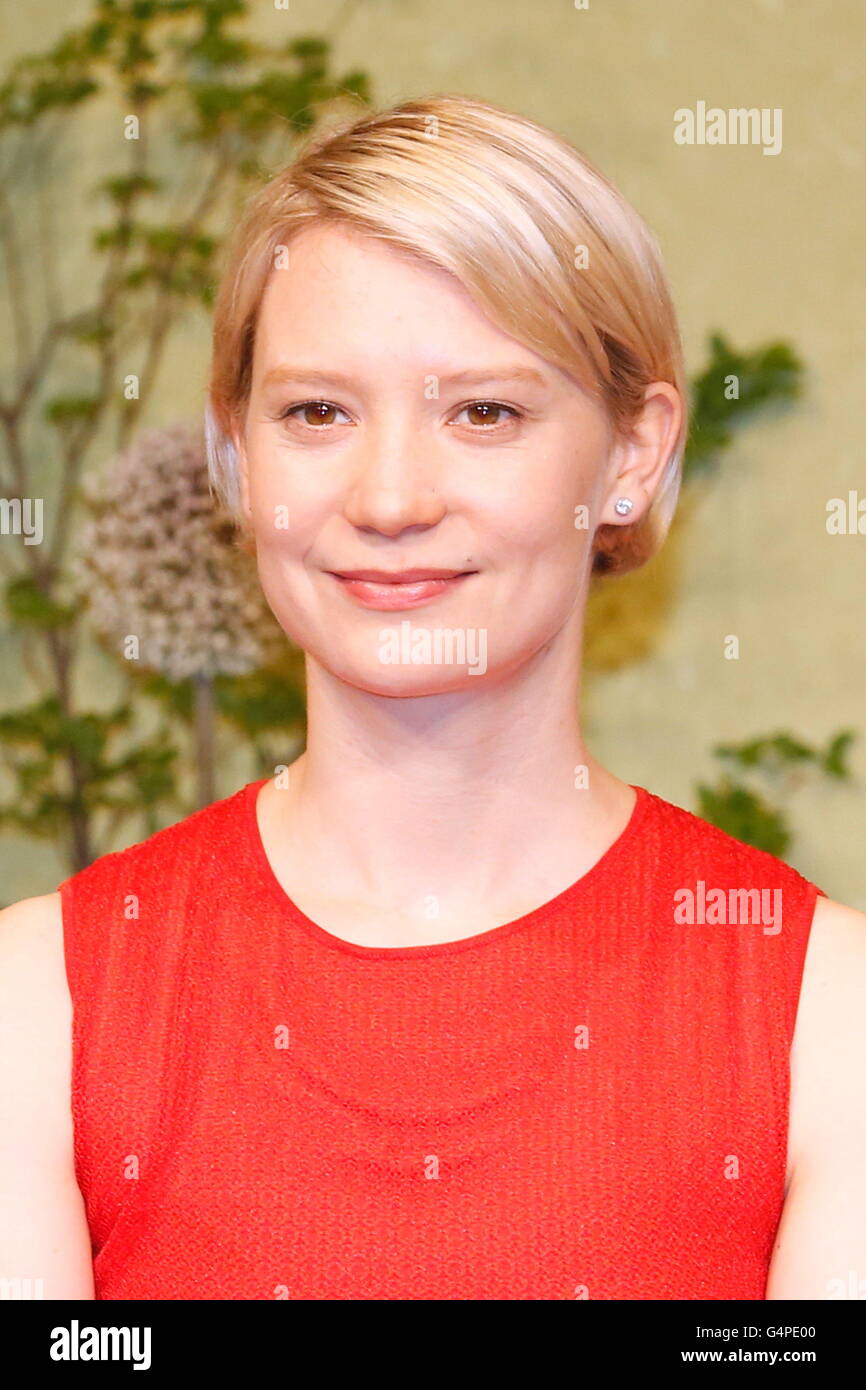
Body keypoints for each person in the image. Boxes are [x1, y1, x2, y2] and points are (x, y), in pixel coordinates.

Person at [1, 94, 864, 1302]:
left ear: (629, 456)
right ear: (237, 456)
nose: (391, 495)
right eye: (315, 412)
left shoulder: (826, 1014)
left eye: (483, 411)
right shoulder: (40, 1005)